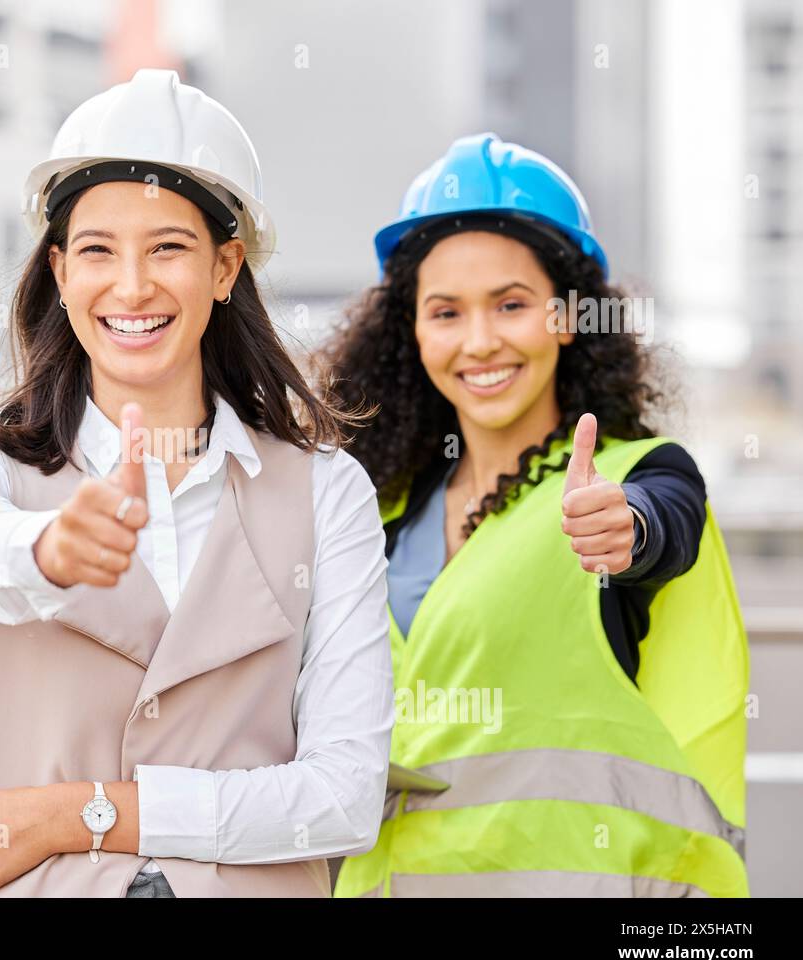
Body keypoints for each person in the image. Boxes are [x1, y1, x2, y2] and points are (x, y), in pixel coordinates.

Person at [0, 69, 395, 898]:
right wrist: (48, 551)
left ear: (226, 266)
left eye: (168, 247)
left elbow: (343, 795)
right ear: (59, 271)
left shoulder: (326, 493)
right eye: (97, 250)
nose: (131, 287)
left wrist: (84, 813)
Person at [320, 133, 750, 898]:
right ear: (411, 332)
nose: (480, 340)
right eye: (446, 311)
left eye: (511, 304)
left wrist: (627, 530)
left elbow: (662, 525)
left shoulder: (639, 475)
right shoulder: (374, 513)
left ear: (566, 317)